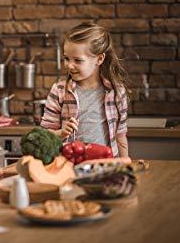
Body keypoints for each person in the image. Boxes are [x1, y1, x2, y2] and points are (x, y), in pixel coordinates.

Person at [40, 22, 129, 157]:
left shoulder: (116, 92)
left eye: (77, 60)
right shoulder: (58, 91)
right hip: (69, 165)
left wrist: (126, 164)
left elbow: (120, 136)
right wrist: (62, 133)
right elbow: (44, 135)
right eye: (66, 58)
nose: (69, 65)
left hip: (106, 165)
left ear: (99, 59)